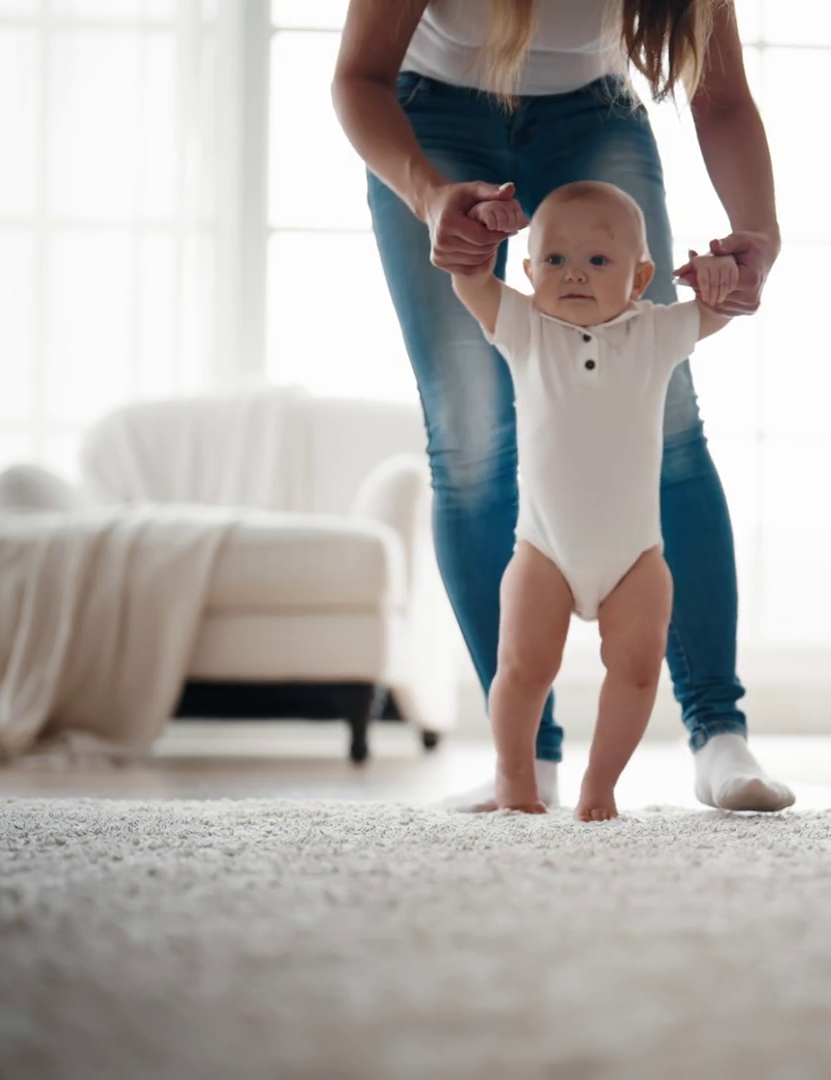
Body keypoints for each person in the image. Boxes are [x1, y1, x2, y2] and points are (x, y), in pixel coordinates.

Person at [332, 0, 795, 812]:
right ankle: (528, 757)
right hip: (429, 114)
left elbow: (721, 98)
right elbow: (357, 77)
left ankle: (719, 732)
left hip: (593, 115)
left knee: (671, 423)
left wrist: (758, 232)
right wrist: (429, 195)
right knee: (471, 442)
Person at [449, 179, 738, 819]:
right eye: (554, 260)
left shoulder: (656, 333)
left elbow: (726, 308)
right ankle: (515, 780)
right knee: (522, 668)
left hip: (634, 555)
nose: (573, 274)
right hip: (543, 550)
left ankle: (599, 785)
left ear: (639, 278)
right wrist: (478, 239)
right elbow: (470, 284)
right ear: (528, 271)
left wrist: (721, 274)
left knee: (638, 667)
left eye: (597, 261)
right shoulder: (525, 328)